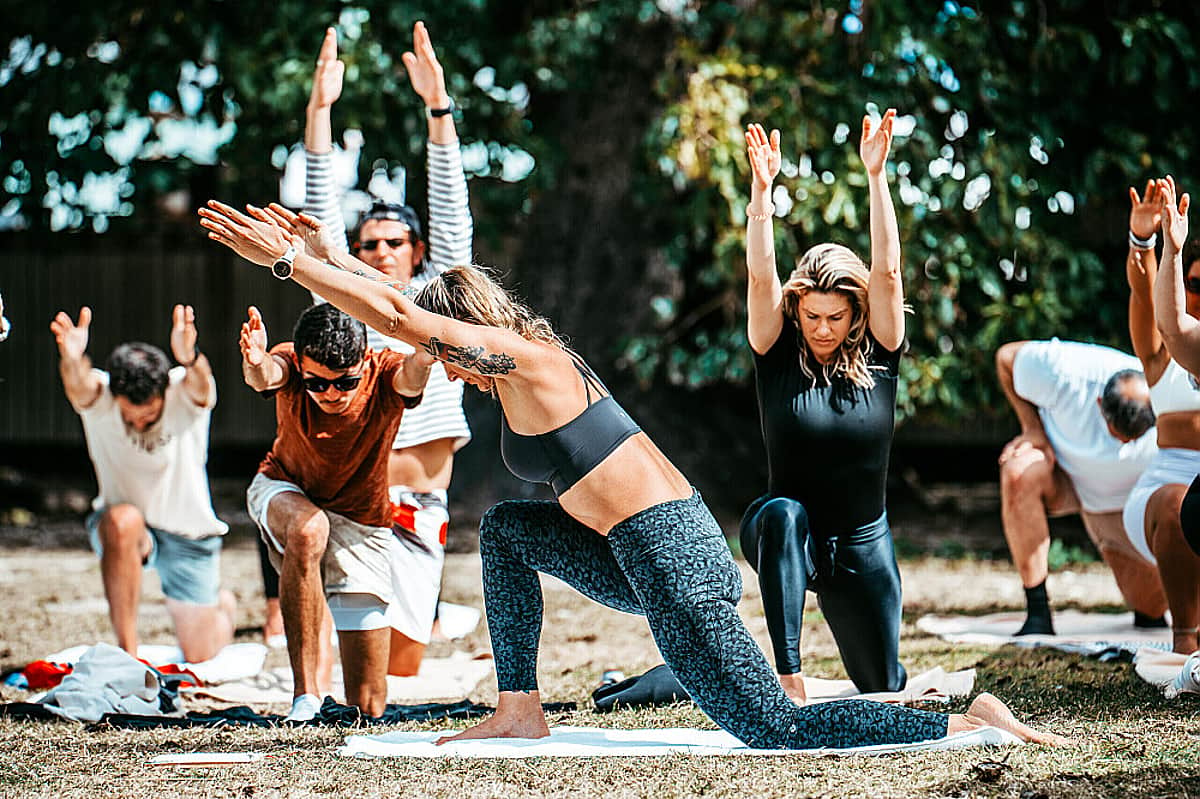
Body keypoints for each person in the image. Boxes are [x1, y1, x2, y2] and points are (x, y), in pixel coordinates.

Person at [198, 199, 1066, 749]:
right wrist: (328, 256)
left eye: (450, 353)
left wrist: (287, 266)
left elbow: (398, 313)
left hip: (676, 555)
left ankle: (955, 718)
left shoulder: (523, 359)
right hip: (630, 556)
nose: (450, 373)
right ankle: (520, 704)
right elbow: (404, 306)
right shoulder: (511, 350)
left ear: (469, 338)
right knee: (505, 529)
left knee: (773, 727)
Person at [259, 22, 474, 676]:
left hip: (416, 507)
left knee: (403, 667)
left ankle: (405, 621)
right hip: (346, 499)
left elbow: (450, 207)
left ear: (416, 250)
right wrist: (318, 110)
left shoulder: (437, 300)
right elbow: (318, 213)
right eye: (369, 241)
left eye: (392, 241)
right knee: (342, 662)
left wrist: (439, 109)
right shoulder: (342, 303)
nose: (379, 250)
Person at [737, 114, 909, 702]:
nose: (823, 328)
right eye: (812, 316)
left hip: (862, 541)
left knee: (882, 686)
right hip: (788, 537)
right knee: (784, 513)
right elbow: (762, 280)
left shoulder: (881, 352)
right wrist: (762, 195)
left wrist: (877, 176)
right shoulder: (778, 350)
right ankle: (788, 682)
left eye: (836, 317)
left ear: (855, 313)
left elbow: (887, 270)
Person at [240, 302, 432, 721]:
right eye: (317, 384)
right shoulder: (290, 362)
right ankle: (305, 697)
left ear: (364, 361)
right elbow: (268, 374)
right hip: (285, 488)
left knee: (368, 704)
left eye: (345, 383)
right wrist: (255, 363)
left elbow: (412, 376)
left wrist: (425, 352)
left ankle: (341, 696)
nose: (330, 394)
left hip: (362, 519)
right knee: (311, 529)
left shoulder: (385, 371)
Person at [49, 305, 234, 663]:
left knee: (202, 655)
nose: (138, 423)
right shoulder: (100, 397)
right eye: (130, 417)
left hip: (189, 537)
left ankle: (223, 607)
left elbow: (199, 380)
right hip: (129, 532)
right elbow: (79, 384)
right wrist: (71, 357)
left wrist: (190, 356)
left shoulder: (184, 389)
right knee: (121, 520)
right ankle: (127, 655)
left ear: (165, 391)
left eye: (148, 416)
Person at [996, 336, 1165, 636]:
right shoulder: (1065, 373)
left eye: (1135, 438)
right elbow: (1006, 358)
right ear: (1100, 405)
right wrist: (1032, 429)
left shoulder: (1168, 395)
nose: (1125, 445)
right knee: (1019, 470)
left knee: (1150, 609)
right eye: (1120, 435)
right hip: (1064, 475)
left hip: (1121, 503)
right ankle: (1037, 612)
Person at [1137, 174, 1200, 653]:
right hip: (1169, 493)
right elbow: (1158, 310)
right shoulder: (1167, 356)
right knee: (1180, 504)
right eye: (1196, 284)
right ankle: (1186, 639)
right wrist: (1151, 244)